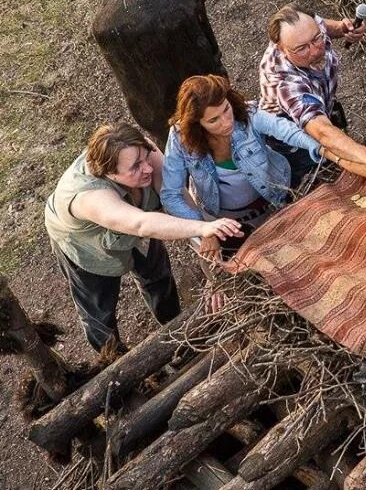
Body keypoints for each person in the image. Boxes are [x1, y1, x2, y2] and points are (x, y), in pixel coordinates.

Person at [45, 123, 243, 352]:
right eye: (136, 167)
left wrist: (209, 246)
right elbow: (140, 224)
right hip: (89, 246)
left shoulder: (140, 152)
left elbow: (176, 199)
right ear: (110, 173)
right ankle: (115, 364)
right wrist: (202, 230)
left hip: (141, 228)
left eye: (146, 158)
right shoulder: (88, 197)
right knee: (100, 309)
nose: (148, 168)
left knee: (158, 277)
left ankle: (176, 336)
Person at [161, 74, 324, 261]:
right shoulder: (180, 139)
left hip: (274, 201)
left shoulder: (247, 114)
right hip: (225, 222)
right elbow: (170, 195)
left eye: (226, 109)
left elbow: (285, 130)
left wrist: (317, 146)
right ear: (197, 124)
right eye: (213, 120)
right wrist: (204, 228)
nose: (226, 122)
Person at [258, 4, 366, 183]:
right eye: (302, 48)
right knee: (320, 177)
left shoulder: (307, 28)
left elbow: (323, 25)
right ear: (282, 48)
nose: (315, 51)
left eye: (317, 39)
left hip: (321, 105)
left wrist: (343, 28)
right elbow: (321, 131)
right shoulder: (284, 82)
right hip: (292, 138)